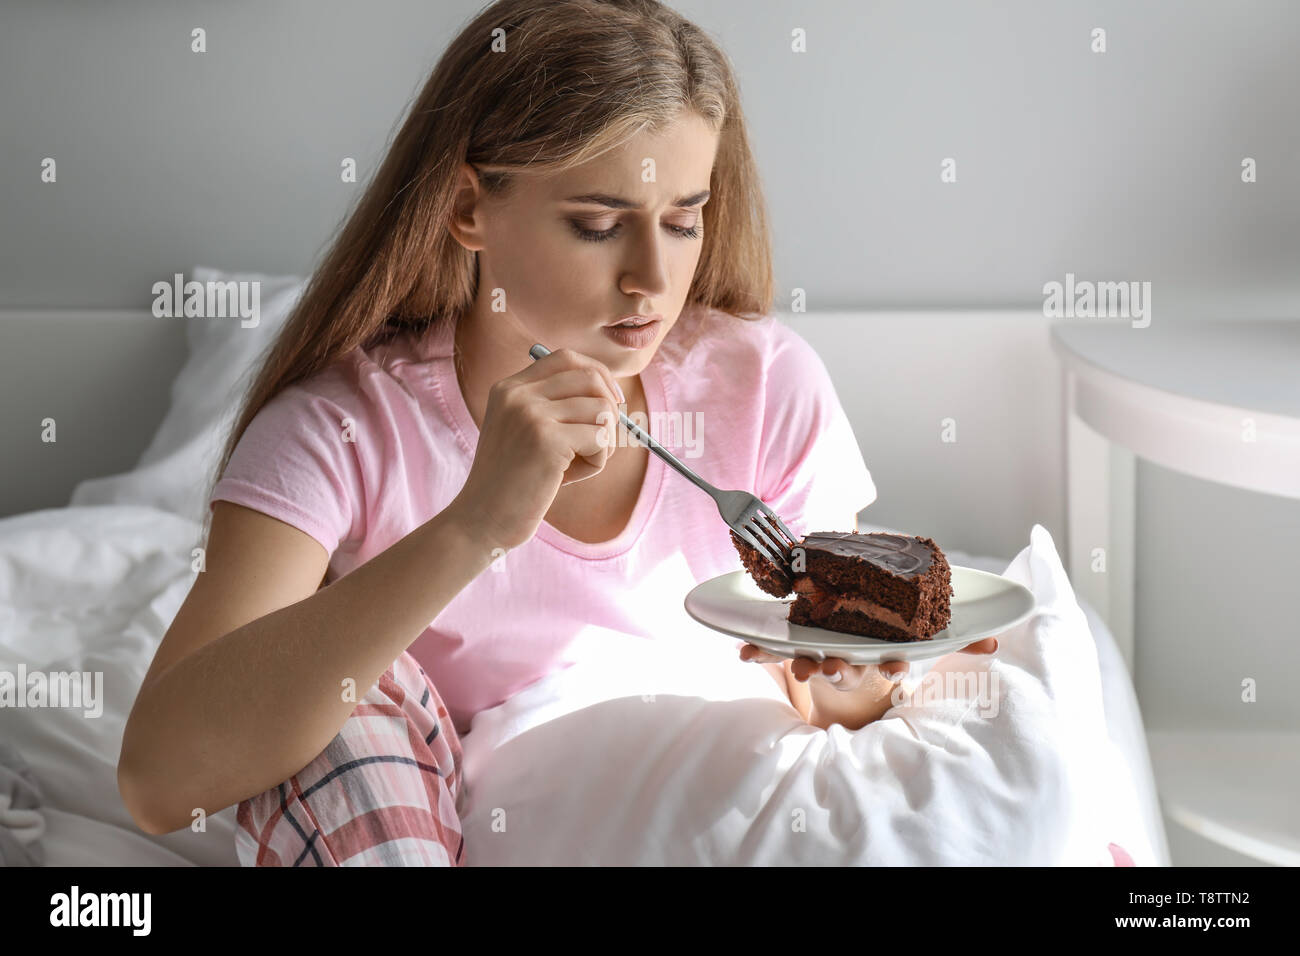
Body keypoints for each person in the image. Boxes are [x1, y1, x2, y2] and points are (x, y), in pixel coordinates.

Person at [117, 0, 996, 866]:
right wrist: (476, 525)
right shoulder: (342, 429)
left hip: (671, 826)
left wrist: (855, 675)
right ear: (469, 210)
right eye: (597, 225)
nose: (653, 279)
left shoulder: (764, 388)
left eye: (684, 220)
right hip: (435, 825)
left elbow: (815, 710)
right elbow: (159, 781)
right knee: (341, 703)